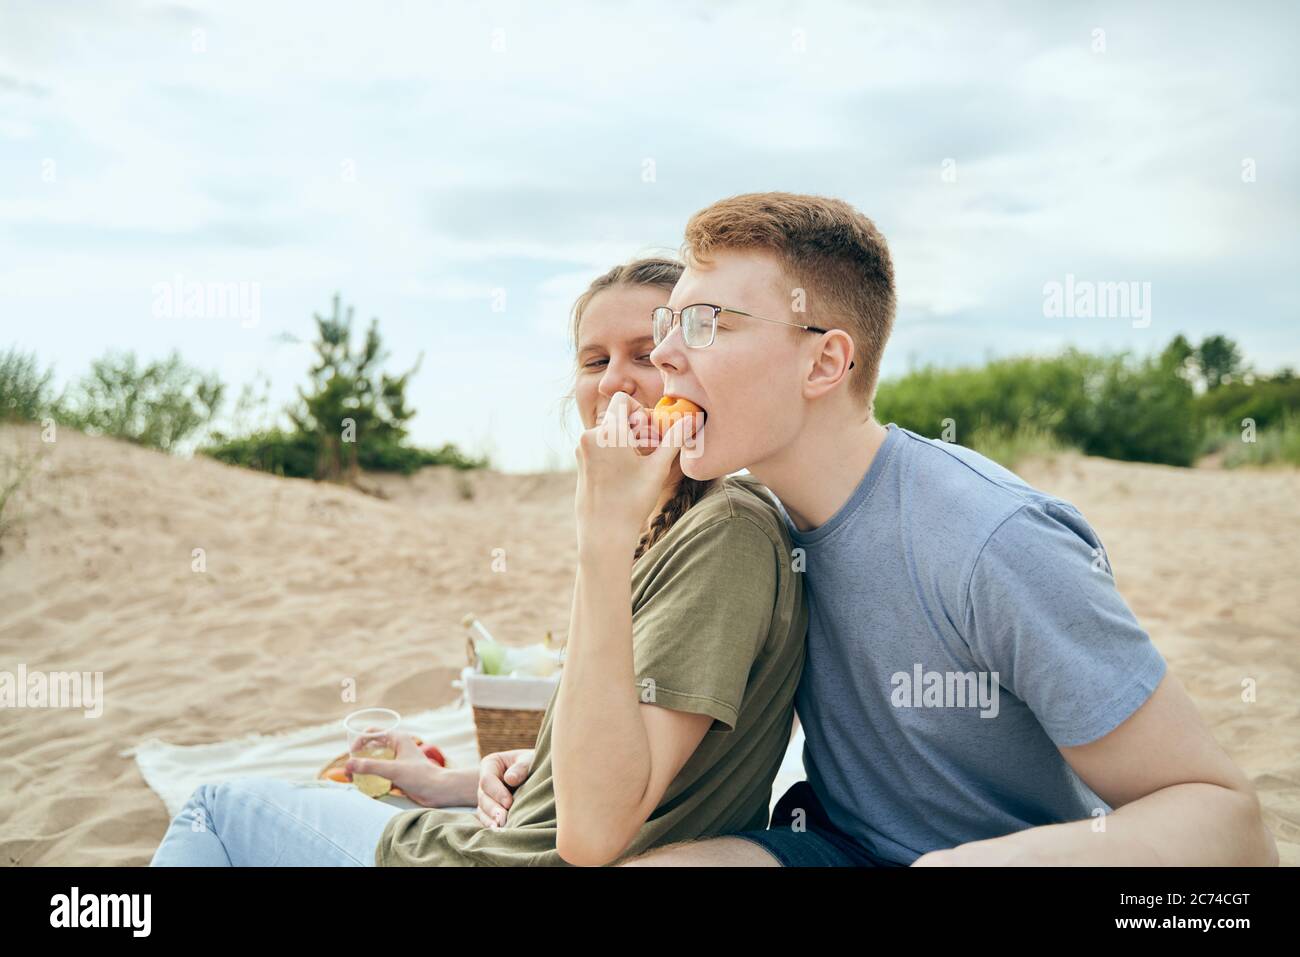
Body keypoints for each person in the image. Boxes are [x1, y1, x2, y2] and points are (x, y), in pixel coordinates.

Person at [606, 192, 1278, 867]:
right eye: (669, 322)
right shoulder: (750, 529)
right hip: (840, 847)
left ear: (823, 363)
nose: (662, 354)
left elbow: (1227, 818)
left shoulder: (995, 538)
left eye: (703, 322)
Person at [149, 256, 808, 866]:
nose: (614, 382)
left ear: (689, 361)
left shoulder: (724, 531)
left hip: (498, 858)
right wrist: (459, 781)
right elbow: (639, 751)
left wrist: (598, 533)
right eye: (592, 360)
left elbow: (593, 830)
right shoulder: (669, 527)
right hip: (512, 833)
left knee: (217, 807)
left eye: (645, 352)